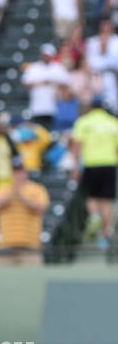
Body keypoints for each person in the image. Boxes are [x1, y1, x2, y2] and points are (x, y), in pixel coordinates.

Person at [70, 96, 118, 249]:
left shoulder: (83, 122)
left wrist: (75, 167)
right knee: (106, 201)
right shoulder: (113, 123)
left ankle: (94, 216)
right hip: (109, 164)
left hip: (91, 164)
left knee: (91, 197)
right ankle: (104, 235)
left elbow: (76, 146)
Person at [0, 156, 49, 264]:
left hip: (30, 245)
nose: (18, 175)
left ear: (25, 173)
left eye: (20, 171)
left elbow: (41, 207)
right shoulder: (3, 189)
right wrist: (14, 192)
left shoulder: (37, 189)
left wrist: (22, 197)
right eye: (15, 172)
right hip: (6, 245)